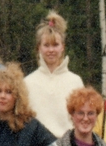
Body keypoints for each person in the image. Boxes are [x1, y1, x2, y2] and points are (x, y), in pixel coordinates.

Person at [23, 11, 84, 139]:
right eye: (46, 45)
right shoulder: (28, 82)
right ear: (39, 47)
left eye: (55, 45)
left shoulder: (75, 81)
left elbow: (82, 119)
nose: (51, 50)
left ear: (62, 47)